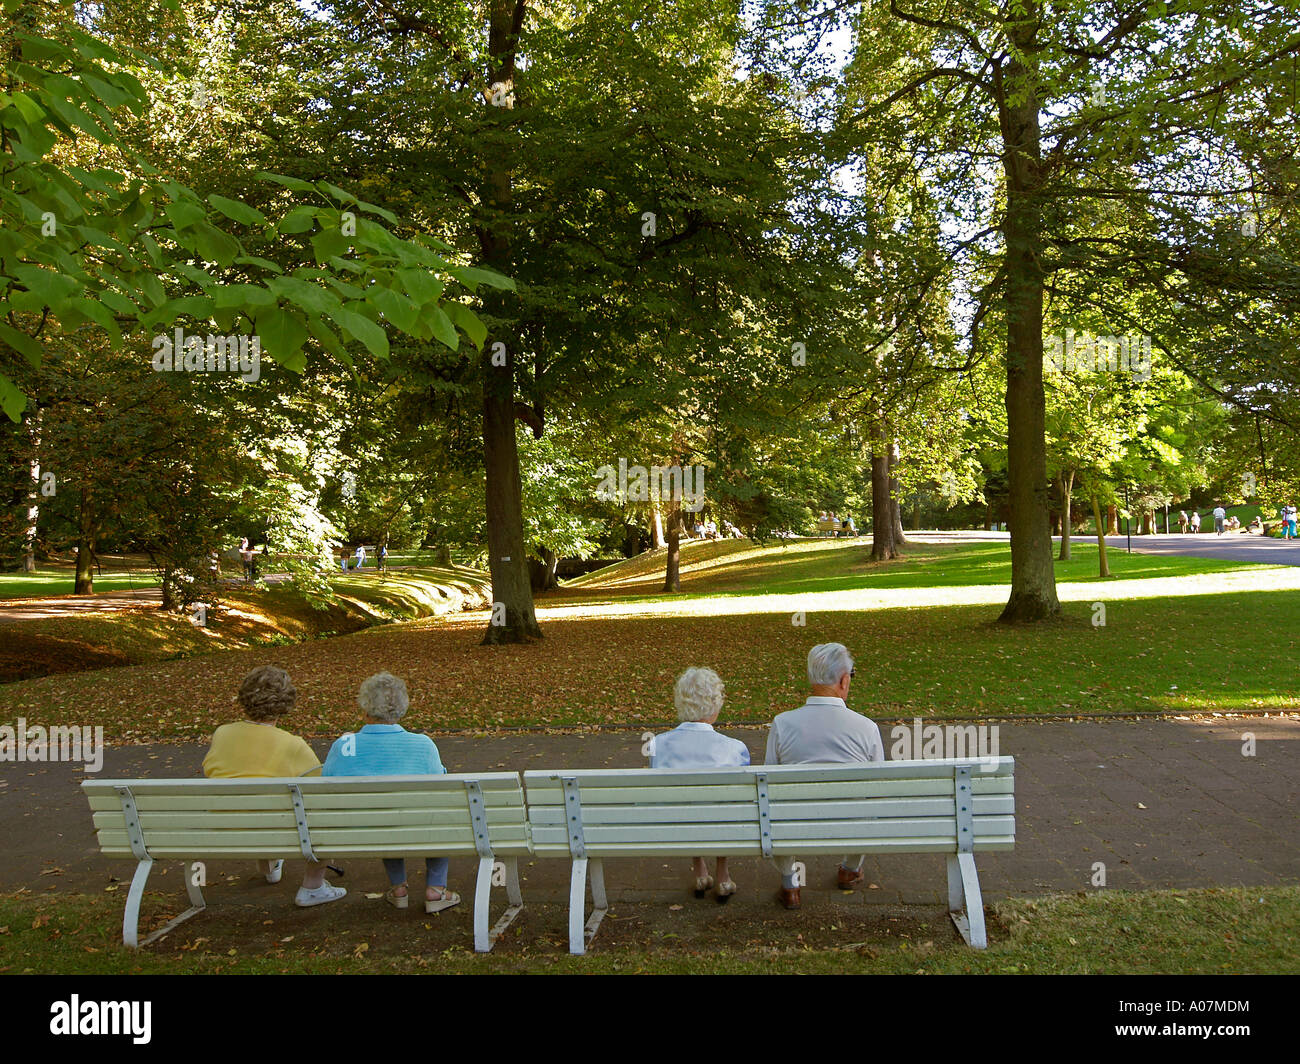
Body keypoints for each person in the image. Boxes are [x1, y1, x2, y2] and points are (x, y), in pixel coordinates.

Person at [202, 666, 346, 908]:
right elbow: (320, 791)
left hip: (225, 827)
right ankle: (313, 887)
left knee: (256, 805)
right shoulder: (293, 745)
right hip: (277, 828)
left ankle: (271, 865)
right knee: (320, 815)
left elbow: (210, 770)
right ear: (286, 702)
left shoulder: (222, 734)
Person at [322, 673, 459, 914]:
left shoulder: (344, 745)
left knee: (384, 814)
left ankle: (398, 889)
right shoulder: (423, 745)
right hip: (416, 826)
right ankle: (436, 889)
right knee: (439, 811)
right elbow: (441, 789)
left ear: (364, 708)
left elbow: (323, 789)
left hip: (359, 831)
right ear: (401, 709)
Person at [765, 643, 885, 910]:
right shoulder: (866, 727)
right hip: (851, 823)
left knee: (774, 809)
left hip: (794, 824)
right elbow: (878, 789)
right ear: (844, 680)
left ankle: (790, 884)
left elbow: (768, 782)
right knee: (867, 807)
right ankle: (850, 869)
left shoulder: (782, 724)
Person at [648, 667, 750, 902]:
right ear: (715, 706)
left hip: (677, 826)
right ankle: (723, 874)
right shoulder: (735, 748)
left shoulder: (658, 744)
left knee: (686, 804)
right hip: (724, 825)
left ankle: (699, 870)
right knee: (726, 806)